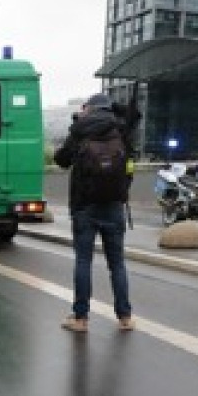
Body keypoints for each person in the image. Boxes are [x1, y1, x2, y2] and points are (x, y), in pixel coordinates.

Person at [53, 93, 134, 334]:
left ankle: (80, 319)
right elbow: (129, 163)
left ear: (89, 108)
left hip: (84, 205)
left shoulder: (80, 129)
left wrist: (75, 127)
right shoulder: (121, 128)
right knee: (117, 263)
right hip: (114, 205)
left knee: (83, 261)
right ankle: (125, 316)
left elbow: (61, 160)